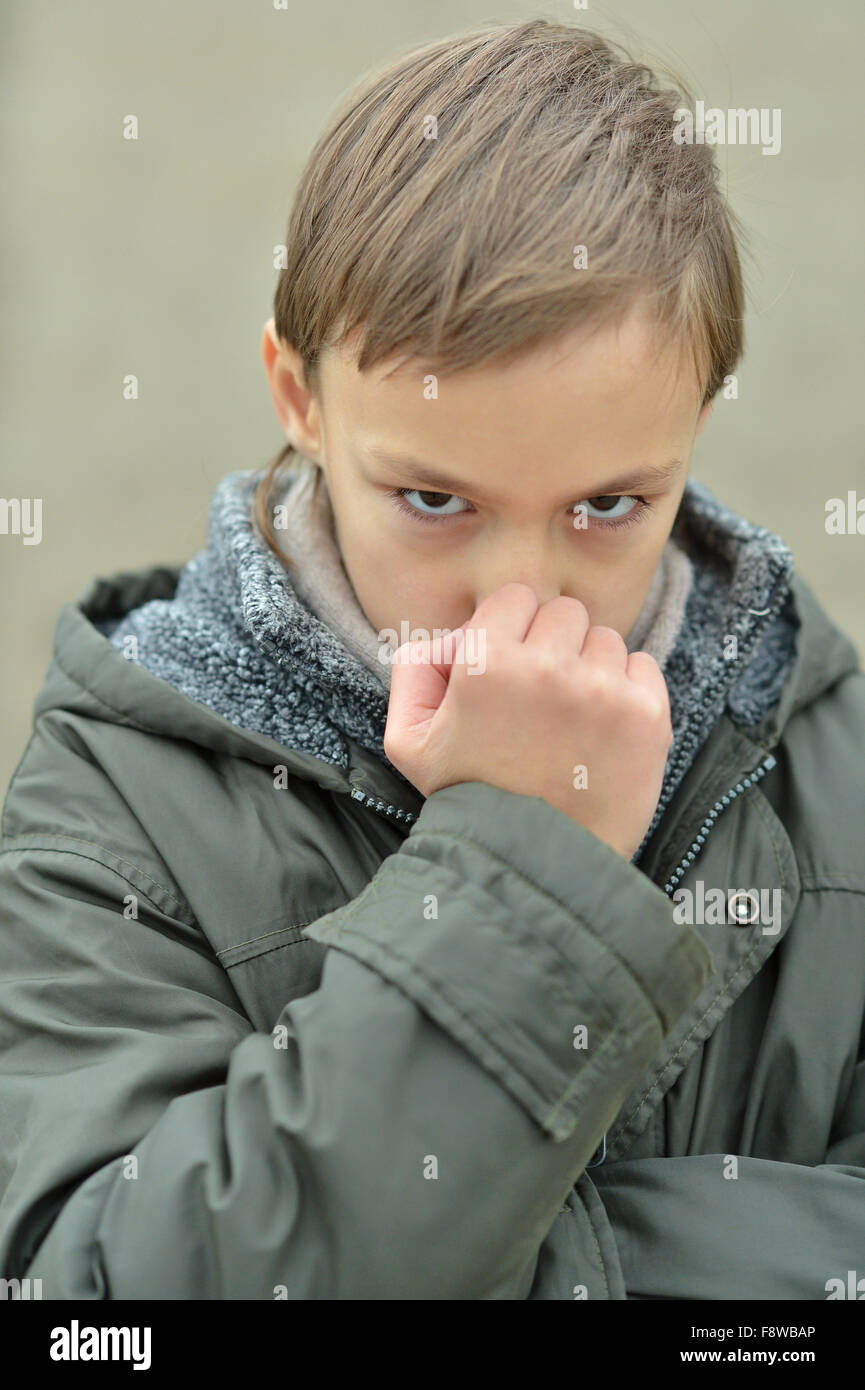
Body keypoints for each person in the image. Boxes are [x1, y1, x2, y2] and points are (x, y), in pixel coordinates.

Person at [0, 18, 863, 1301]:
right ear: (299, 397)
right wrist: (525, 857)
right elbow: (91, 1304)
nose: (519, 594)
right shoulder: (116, 806)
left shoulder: (830, 763)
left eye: (608, 506)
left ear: (693, 419)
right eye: (433, 500)